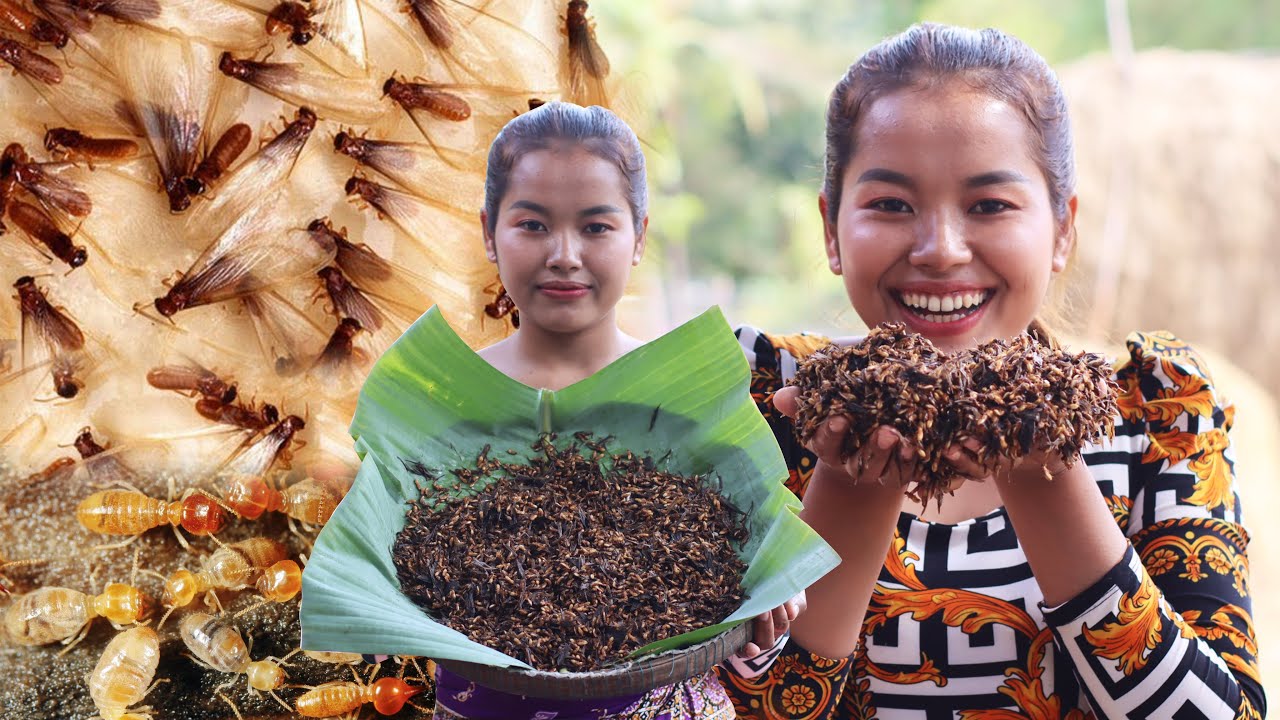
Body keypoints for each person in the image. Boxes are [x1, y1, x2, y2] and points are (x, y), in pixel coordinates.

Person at [714, 23, 1265, 719]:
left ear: (1062, 229)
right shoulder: (764, 404)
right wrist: (845, 503)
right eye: (890, 204)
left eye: (989, 205)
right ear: (831, 228)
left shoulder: (1157, 416)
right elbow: (695, 703)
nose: (940, 250)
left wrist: (1047, 476)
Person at [432, 100, 801, 720]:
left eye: (597, 227)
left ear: (639, 238)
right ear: (488, 233)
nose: (565, 254)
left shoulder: (688, 403)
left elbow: (749, 647)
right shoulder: (443, 404)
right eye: (533, 224)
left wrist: (771, 607)